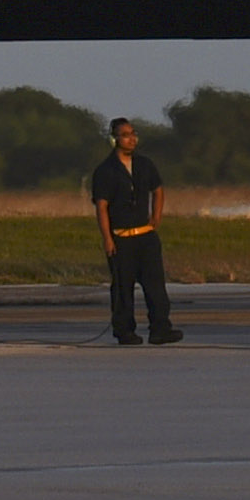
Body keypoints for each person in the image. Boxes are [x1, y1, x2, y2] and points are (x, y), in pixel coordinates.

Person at [90, 116, 180, 347]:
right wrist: (107, 238)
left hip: (146, 236)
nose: (131, 139)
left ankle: (161, 329)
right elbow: (102, 207)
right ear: (114, 139)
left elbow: (158, 189)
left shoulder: (145, 164)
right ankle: (124, 331)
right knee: (123, 289)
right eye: (125, 135)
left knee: (155, 286)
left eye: (133, 134)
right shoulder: (105, 171)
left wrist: (156, 216)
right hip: (121, 238)